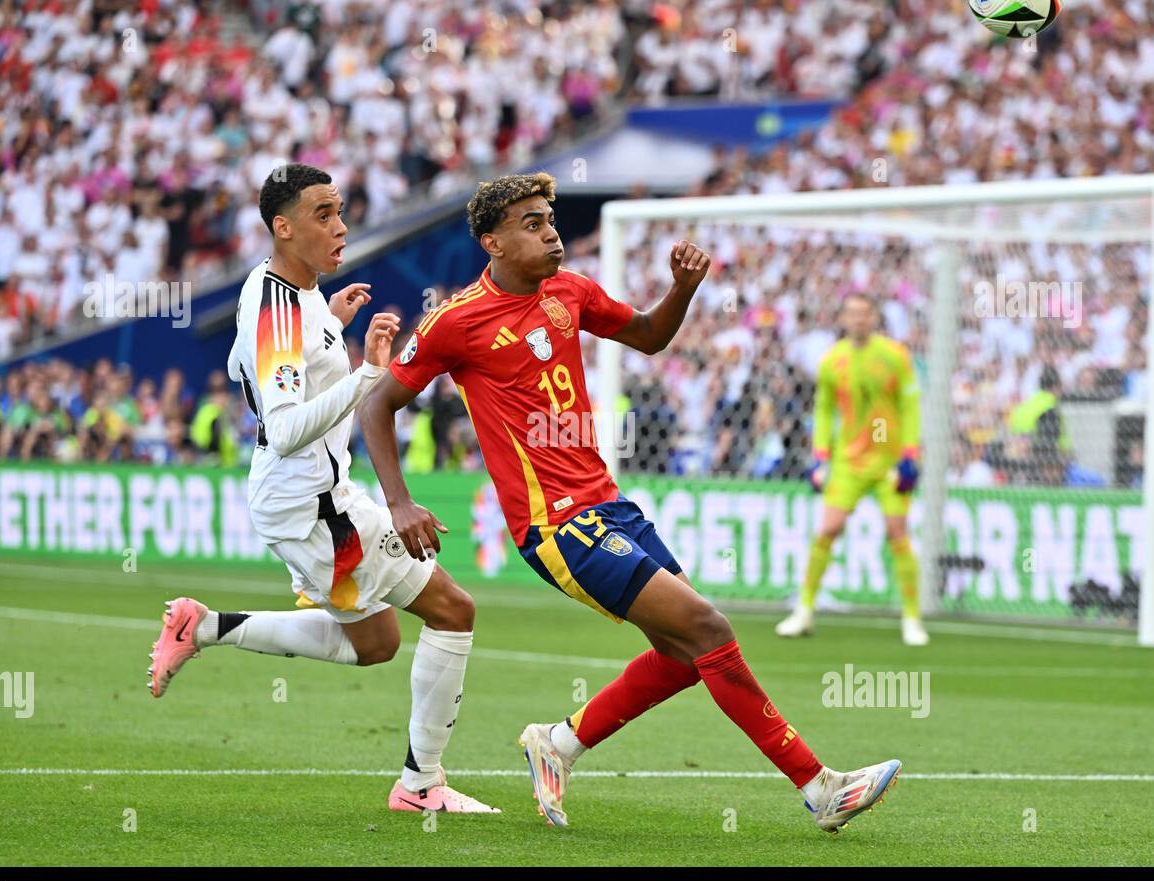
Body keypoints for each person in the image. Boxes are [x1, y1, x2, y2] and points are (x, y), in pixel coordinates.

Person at [361, 172, 899, 833]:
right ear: (491, 241)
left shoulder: (570, 291)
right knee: (709, 630)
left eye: (550, 218)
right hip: (557, 525)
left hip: (610, 505)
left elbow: (647, 336)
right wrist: (399, 502)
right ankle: (819, 786)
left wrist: (683, 289)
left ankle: (557, 743)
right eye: (531, 223)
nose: (550, 230)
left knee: (684, 655)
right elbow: (378, 403)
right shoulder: (455, 321)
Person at [148, 164, 497, 815]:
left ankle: (205, 627)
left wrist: (328, 329)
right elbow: (282, 428)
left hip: (307, 500)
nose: (340, 227)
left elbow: (239, 365)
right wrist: (366, 375)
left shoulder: (283, 290)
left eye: (340, 210)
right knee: (455, 610)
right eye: (322, 214)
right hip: (314, 506)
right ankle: (422, 786)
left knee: (379, 643)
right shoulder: (282, 309)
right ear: (283, 227)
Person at [775, 294, 929, 646]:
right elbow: (825, 409)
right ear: (843, 317)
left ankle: (912, 617)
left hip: (889, 460)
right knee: (828, 528)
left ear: (874, 316)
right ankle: (804, 610)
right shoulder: (833, 361)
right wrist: (820, 456)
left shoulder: (894, 355)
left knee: (897, 532)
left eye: (864, 313)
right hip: (849, 461)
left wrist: (909, 454)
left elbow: (910, 404)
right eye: (852, 313)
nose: (858, 319)